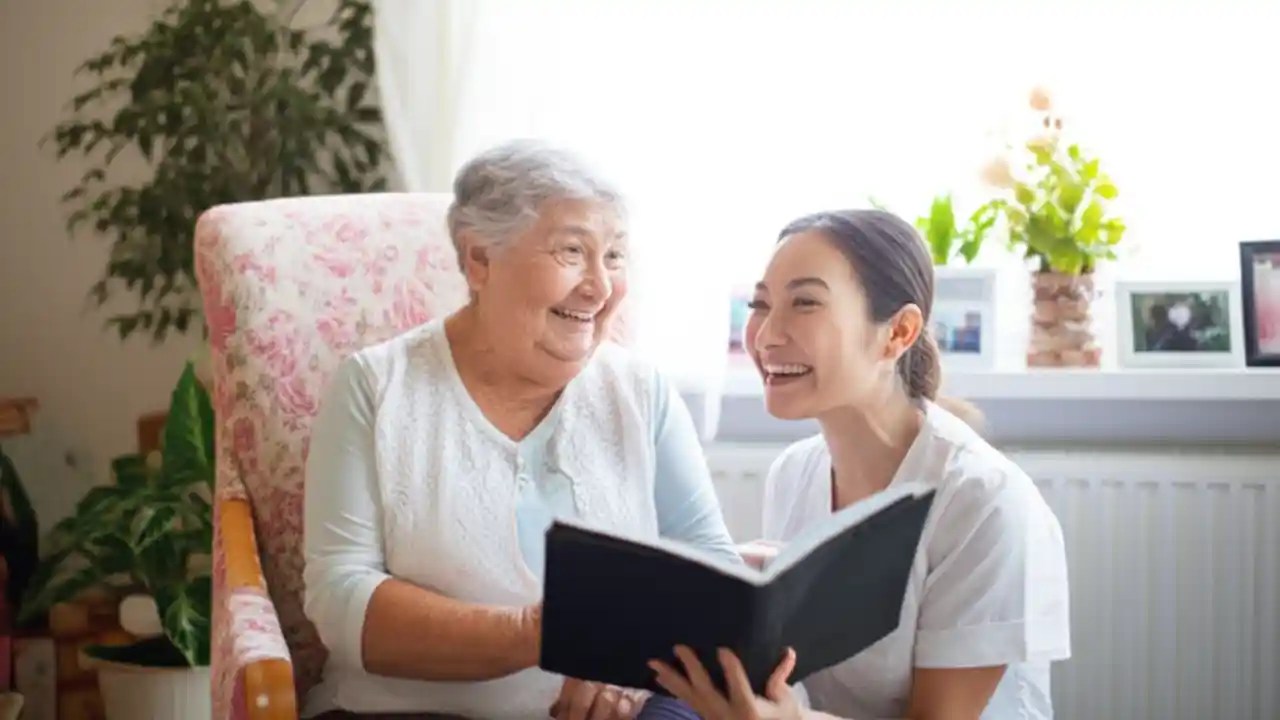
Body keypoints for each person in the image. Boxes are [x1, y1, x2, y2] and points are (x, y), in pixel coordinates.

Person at [302, 139, 741, 719]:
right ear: (479, 259)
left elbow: (713, 570)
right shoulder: (376, 388)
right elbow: (341, 599)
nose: (601, 286)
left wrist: (630, 663)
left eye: (614, 255)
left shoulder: (641, 392)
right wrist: (544, 634)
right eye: (572, 251)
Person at [649, 209, 1071, 719]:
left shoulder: (983, 501)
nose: (765, 335)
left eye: (805, 303)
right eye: (760, 304)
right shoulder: (794, 475)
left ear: (898, 332)